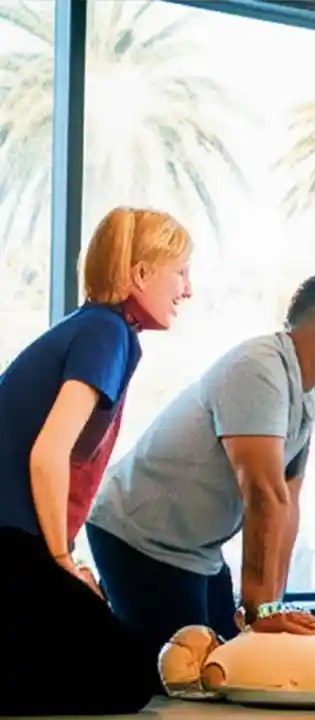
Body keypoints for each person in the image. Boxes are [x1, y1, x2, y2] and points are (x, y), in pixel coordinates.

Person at [84, 272, 315, 664]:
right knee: (183, 673)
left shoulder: (307, 393)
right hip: (140, 537)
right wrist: (261, 613)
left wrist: (274, 606)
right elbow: (262, 493)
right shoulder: (258, 368)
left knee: (233, 664)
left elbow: (287, 501)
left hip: (198, 550)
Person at [0, 207, 192, 715]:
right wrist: (62, 562)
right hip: (10, 539)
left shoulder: (98, 329)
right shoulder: (106, 333)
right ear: (140, 274)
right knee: (126, 676)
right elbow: (48, 455)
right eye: (180, 272)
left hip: (17, 536)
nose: (187, 289)